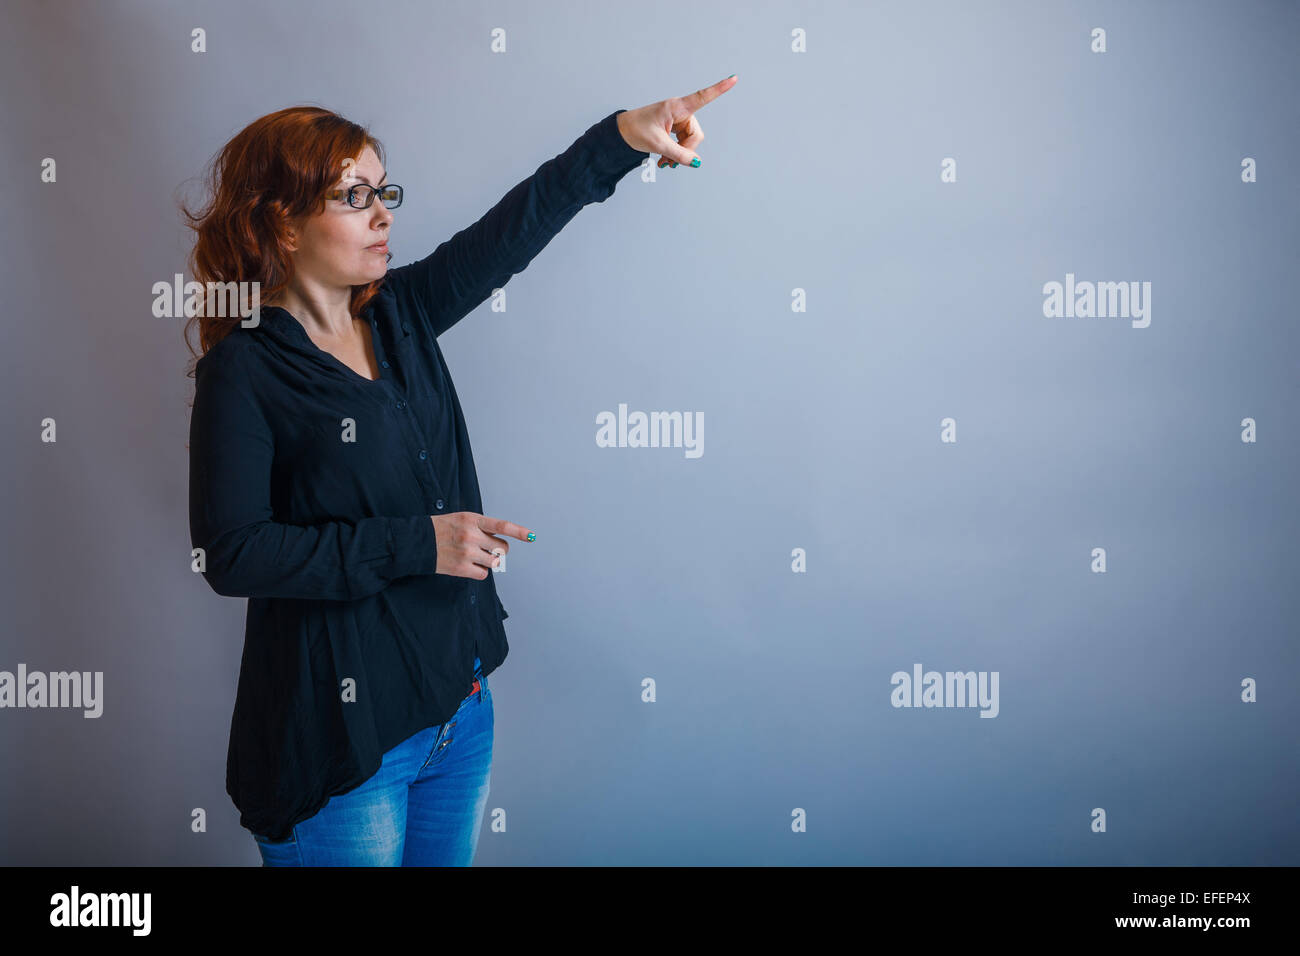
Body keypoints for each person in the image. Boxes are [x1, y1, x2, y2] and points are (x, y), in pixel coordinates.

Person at [183, 76, 737, 866]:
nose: (384, 215)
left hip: (457, 710)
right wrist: (419, 545)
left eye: (385, 191)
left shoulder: (401, 314)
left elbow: (513, 231)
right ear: (285, 220)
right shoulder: (244, 370)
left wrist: (620, 137)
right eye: (354, 197)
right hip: (345, 742)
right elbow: (232, 553)